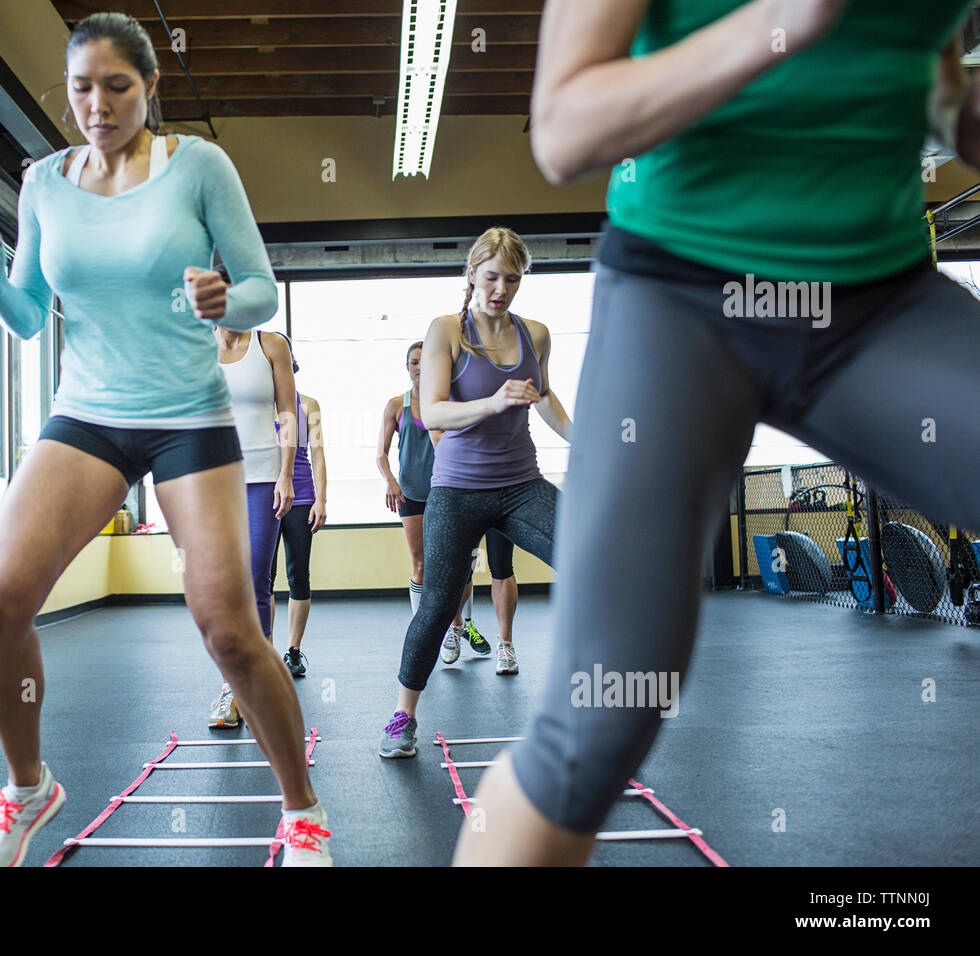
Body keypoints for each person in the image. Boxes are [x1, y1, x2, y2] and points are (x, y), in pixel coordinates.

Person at [455, 0, 980, 866]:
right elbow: (563, 129)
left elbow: (934, 78)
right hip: (681, 301)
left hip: (880, 302)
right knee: (598, 721)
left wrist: (947, 105)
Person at [0, 11, 330, 866]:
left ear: (150, 88)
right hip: (87, 413)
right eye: (82, 87)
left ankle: (302, 811)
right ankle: (27, 792)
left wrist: (221, 301)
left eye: (117, 86)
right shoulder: (44, 182)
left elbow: (261, 292)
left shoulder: (198, 165)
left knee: (230, 630)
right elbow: (27, 317)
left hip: (190, 417)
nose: (97, 104)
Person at [378, 227, 573, 759]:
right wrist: (492, 402)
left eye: (512, 279)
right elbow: (432, 410)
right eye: (491, 277)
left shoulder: (536, 334)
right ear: (471, 273)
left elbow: (544, 397)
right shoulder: (446, 331)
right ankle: (402, 716)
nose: (501, 289)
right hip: (458, 489)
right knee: (439, 603)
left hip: (521, 484)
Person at [376, 344, 519, 670]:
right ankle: (424, 631)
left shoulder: (452, 403)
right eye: (414, 362)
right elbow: (381, 453)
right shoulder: (397, 405)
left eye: (426, 362)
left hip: (450, 492)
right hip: (412, 492)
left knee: (460, 565)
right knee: (422, 565)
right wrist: (390, 481)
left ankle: (458, 626)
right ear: (407, 366)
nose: (420, 368)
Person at [210, 283, 297, 726]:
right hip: (212, 481)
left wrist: (286, 473)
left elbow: (288, 413)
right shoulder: (195, 347)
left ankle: (250, 682)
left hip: (263, 479)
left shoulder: (271, 345)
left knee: (255, 580)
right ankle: (230, 682)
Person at [268, 383, 327, 678]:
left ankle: (293, 651)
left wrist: (321, 499)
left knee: (298, 575)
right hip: (262, 498)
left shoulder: (309, 405)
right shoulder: (258, 406)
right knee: (263, 579)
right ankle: (265, 653)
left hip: (302, 497)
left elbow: (318, 454)